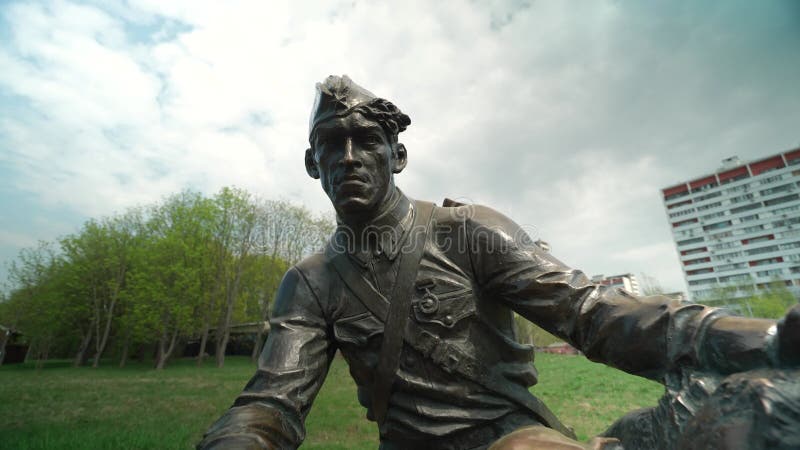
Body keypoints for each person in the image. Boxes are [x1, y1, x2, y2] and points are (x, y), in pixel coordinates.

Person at [198, 75, 800, 450]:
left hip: (513, 438)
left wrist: (767, 339)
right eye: (332, 144)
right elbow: (271, 404)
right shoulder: (309, 283)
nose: (349, 158)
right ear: (313, 164)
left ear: (397, 156)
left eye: (367, 142)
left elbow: (591, 313)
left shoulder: (469, 232)